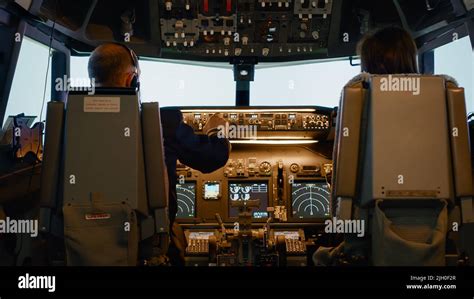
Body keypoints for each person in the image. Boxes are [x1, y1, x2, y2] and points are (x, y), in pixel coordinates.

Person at [88, 43, 230, 265]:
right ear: (131, 80)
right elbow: (213, 158)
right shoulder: (160, 124)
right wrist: (217, 130)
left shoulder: (68, 124)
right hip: (148, 247)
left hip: (84, 246)